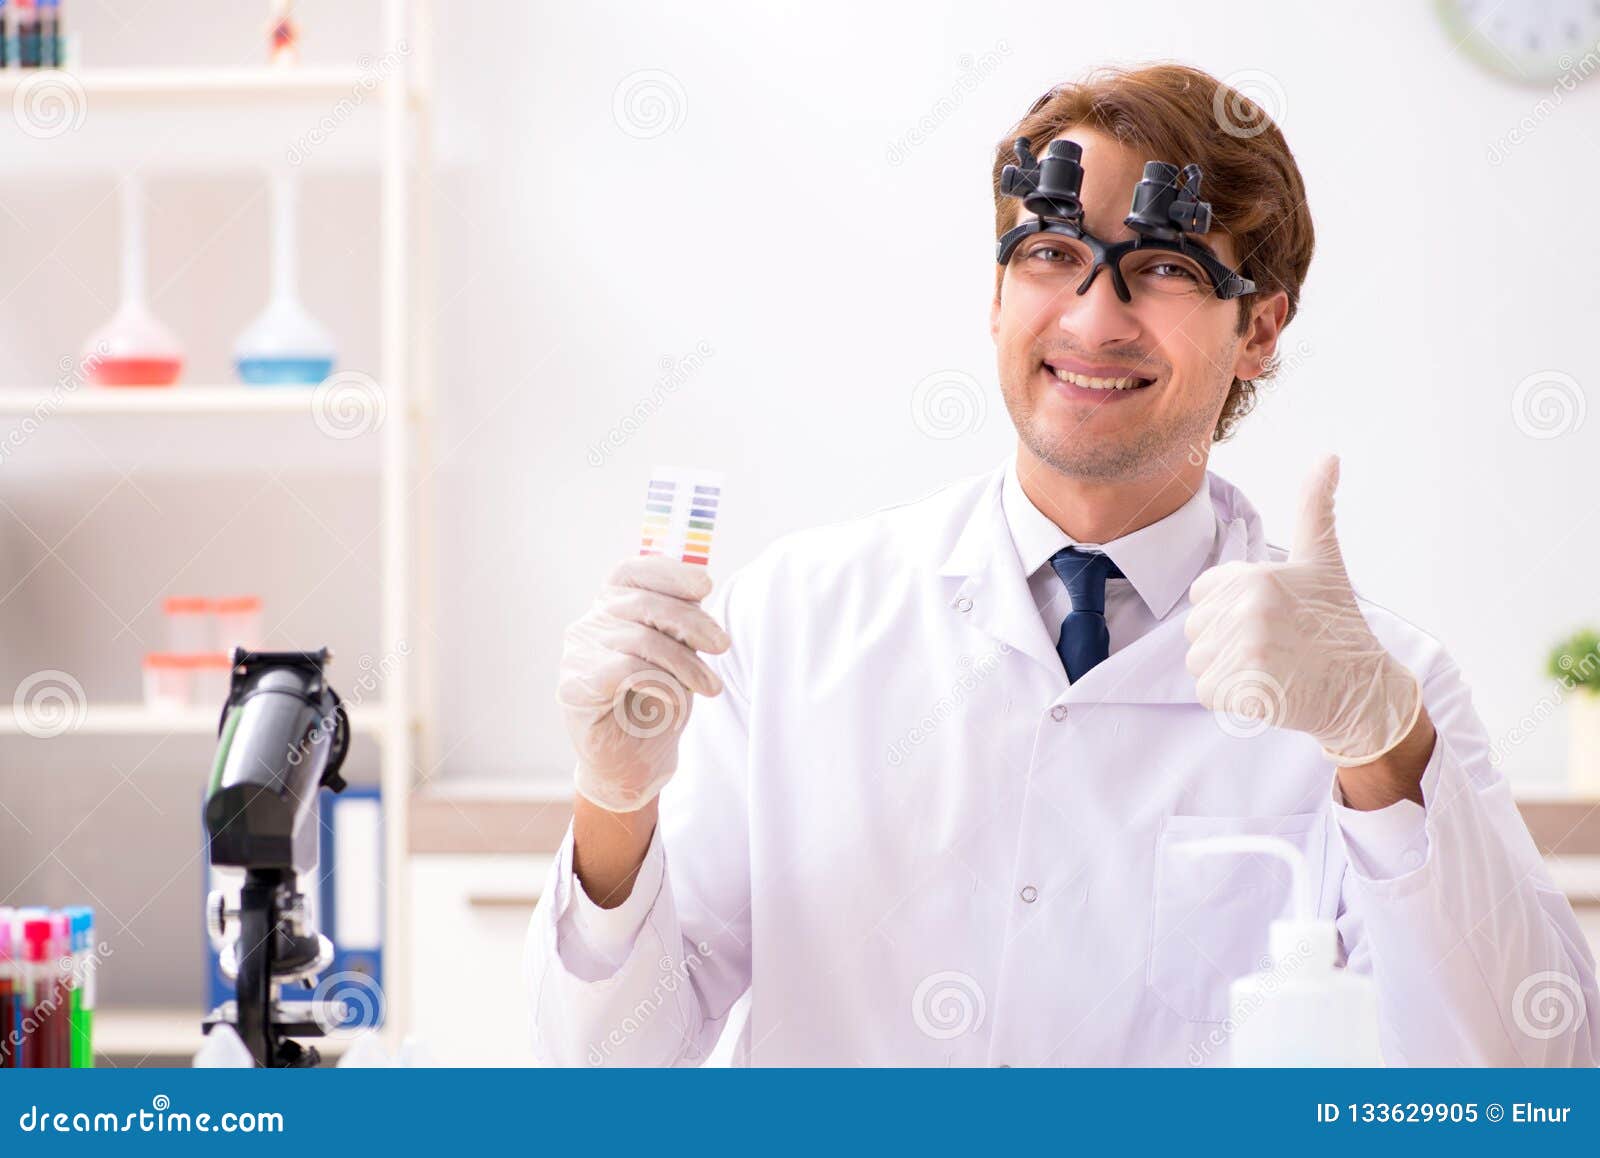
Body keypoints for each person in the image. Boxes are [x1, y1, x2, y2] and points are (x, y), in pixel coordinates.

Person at [527, 63, 1600, 1066]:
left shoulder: (1374, 690)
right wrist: (613, 807)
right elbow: (611, 1067)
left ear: (1260, 328)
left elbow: (1532, 1074)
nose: (1094, 319)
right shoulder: (789, 622)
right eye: (1049, 254)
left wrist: (1382, 753)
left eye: (1166, 268)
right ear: (997, 296)